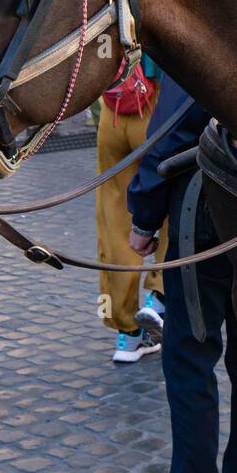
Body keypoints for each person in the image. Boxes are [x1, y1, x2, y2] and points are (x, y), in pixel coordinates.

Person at [130, 77, 237, 473]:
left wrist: (144, 214)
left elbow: (171, 128)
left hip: (205, 209)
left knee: (190, 362)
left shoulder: (214, 28)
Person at [97, 55, 167, 363]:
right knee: (172, 203)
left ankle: (126, 333)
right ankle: (159, 296)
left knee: (114, 218)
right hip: (159, 104)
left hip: (113, 107)